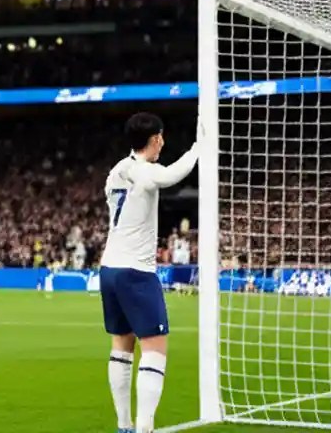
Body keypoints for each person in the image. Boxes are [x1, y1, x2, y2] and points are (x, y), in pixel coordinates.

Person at [100, 112, 202, 433]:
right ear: (155, 139)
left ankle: (124, 424)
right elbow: (173, 174)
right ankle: (145, 426)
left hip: (109, 268)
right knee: (155, 348)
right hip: (136, 271)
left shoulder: (117, 171)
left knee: (121, 346)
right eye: (162, 137)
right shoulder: (145, 171)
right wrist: (200, 147)